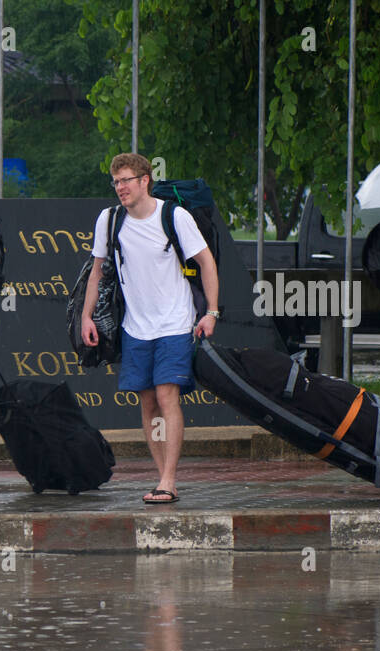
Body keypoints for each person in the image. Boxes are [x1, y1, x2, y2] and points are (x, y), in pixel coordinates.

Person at [78, 153, 219, 504]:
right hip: (135, 326)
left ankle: (169, 480)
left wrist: (212, 312)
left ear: (144, 181)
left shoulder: (174, 216)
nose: (120, 188)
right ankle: (161, 477)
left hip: (175, 322)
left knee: (167, 394)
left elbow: (206, 262)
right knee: (148, 403)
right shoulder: (109, 220)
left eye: (126, 180)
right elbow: (97, 270)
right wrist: (87, 316)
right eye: (116, 182)